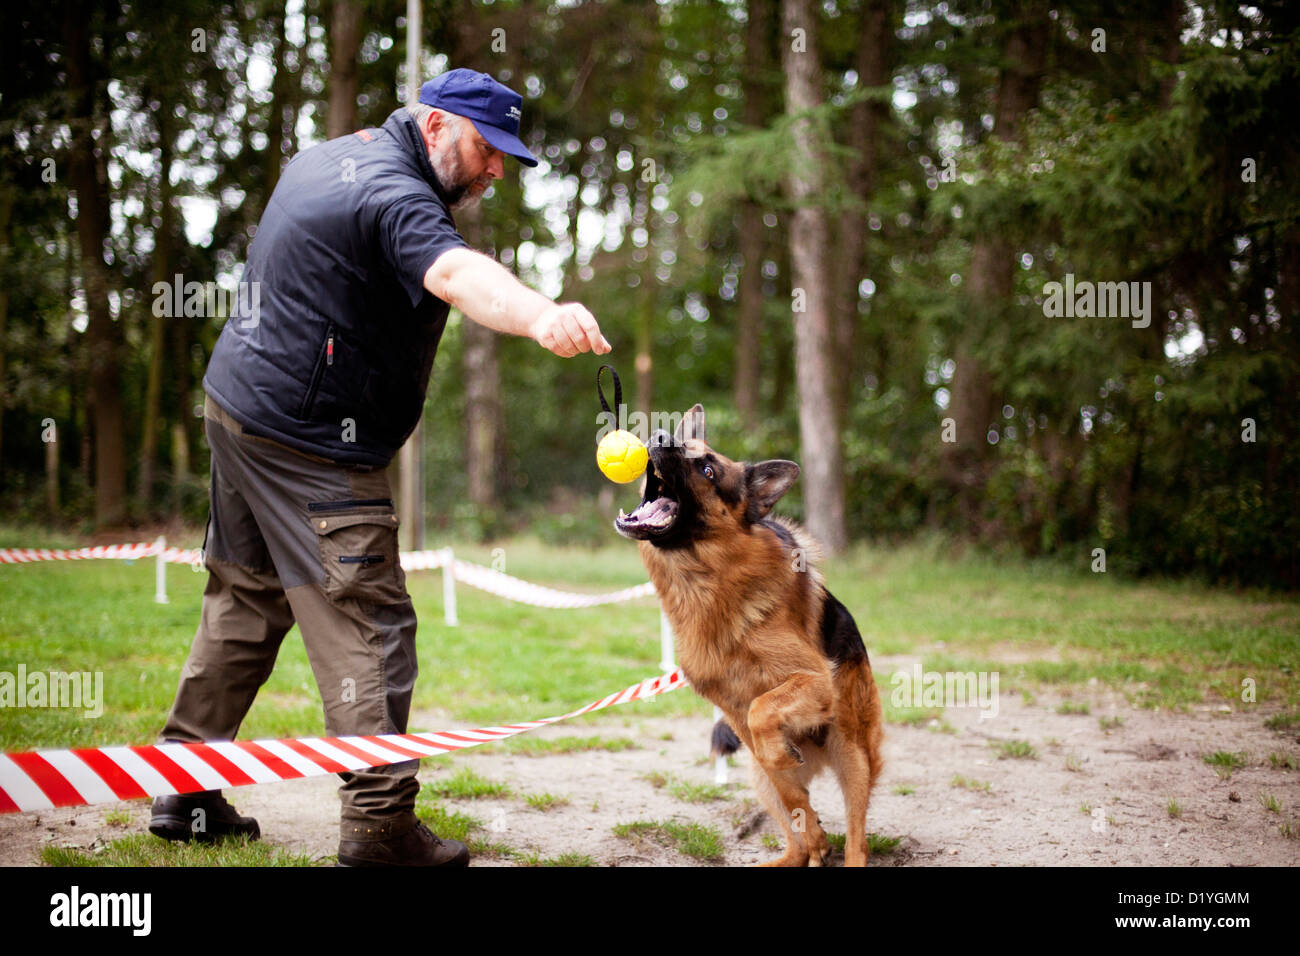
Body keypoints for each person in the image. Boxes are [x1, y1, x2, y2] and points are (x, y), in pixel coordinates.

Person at [147, 69, 610, 867]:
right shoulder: (399, 196)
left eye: (505, 156)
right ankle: (379, 829)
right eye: (484, 148)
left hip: (238, 407)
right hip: (311, 441)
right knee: (370, 625)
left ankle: (185, 791)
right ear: (434, 126)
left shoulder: (333, 155)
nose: (495, 170)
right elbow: (459, 274)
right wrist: (543, 315)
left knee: (246, 600)